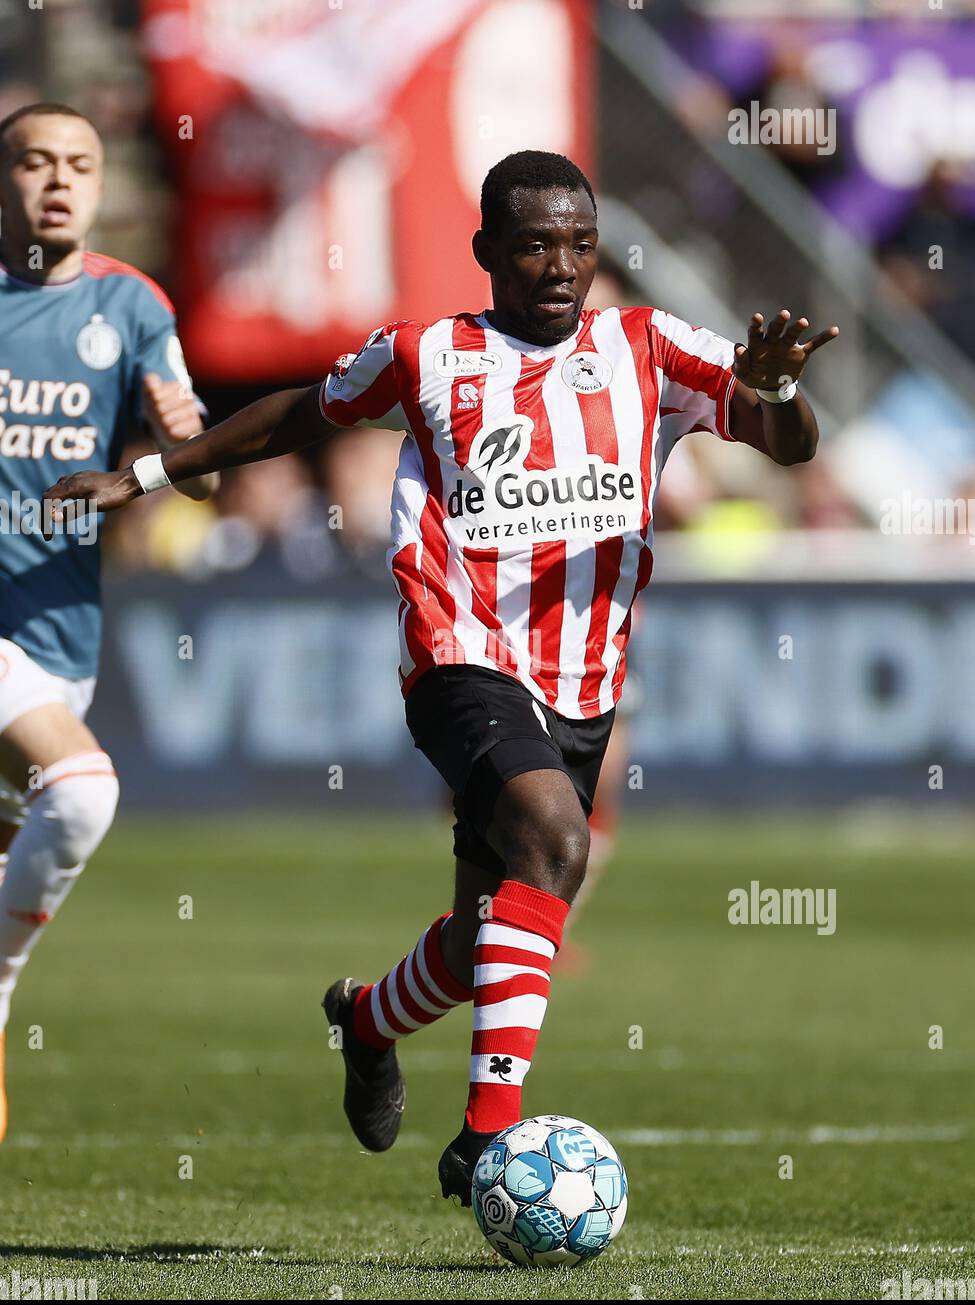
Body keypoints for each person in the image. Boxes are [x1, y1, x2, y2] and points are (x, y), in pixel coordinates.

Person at [44, 149, 838, 1200]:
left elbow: (782, 441)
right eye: (536, 244)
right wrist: (149, 471)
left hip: (584, 676)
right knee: (555, 841)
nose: (562, 266)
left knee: (480, 939)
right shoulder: (428, 357)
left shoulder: (649, 346)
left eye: (582, 244)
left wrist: (776, 384)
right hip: (456, 651)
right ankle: (487, 1141)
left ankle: (367, 1021)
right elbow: (298, 413)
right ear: (488, 253)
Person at [0, 103, 213, 1142]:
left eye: (79, 164)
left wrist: (180, 446)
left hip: (60, 634)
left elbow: (195, 465)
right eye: (34, 161)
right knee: (82, 794)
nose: (58, 180)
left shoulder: (131, 306)